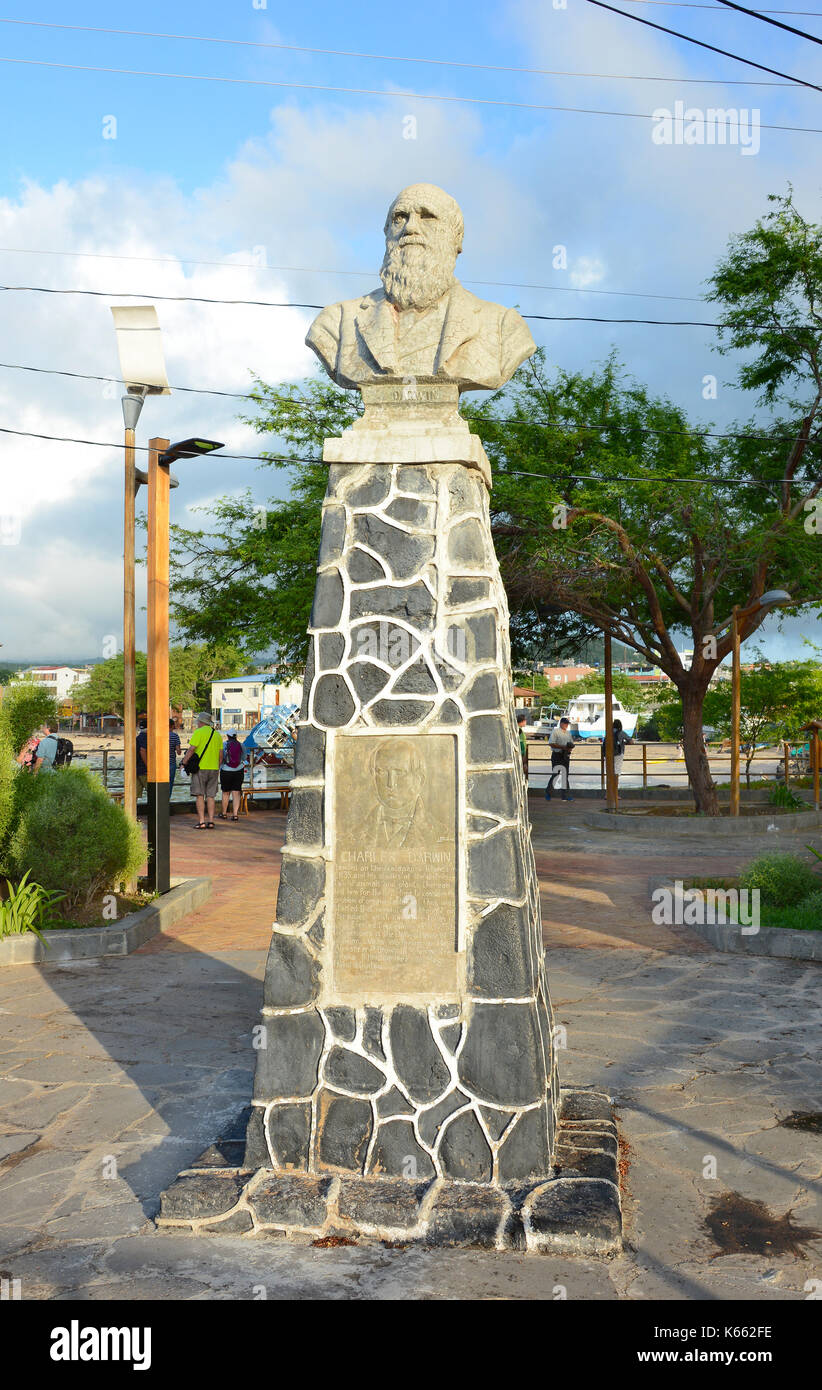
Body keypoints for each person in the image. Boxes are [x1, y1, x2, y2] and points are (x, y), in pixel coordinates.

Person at [306, 184, 536, 393]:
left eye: (427, 216)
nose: (410, 228)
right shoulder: (336, 322)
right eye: (400, 218)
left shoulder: (502, 324)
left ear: (456, 238)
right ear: (387, 233)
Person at [182, 713, 221, 829]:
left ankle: (202, 821)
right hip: (214, 768)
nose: (197, 724)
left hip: (200, 768)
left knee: (199, 795)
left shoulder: (198, 732)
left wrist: (184, 763)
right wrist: (217, 767)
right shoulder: (217, 735)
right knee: (211, 796)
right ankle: (211, 821)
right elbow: (221, 755)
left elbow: (191, 750)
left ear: (201, 722)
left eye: (198, 722)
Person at [218, 730, 246, 822]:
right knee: (236, 793)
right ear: (236, 736)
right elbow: (244, 758)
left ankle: (224, 813)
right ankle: (235, 815)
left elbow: (220, 757)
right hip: (239, 770)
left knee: (226, 792)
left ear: (227, 736)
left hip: (226, 770)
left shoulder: (224, 744)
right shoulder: (241, 745)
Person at [545, 717, 575, 802]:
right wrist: (563, 747)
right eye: (565, 723)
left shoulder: (568, 733)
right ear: (561, 723)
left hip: (565, 755)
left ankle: (565, 795)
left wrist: (569, 748)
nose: (566, 725)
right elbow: (551, 743)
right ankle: (548, 792)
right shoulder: (555, 731)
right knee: (556, 774)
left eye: (567, 724)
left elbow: (571, 743)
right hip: (557, 754)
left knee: (565, 775)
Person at [600, 718, 632, 794]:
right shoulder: (621, 733)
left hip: (607, 754)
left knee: (609, 773)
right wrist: (623, 742)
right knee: (616, 774)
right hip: (618, 755)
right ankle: (615, 794)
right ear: (620, 726)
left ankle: (608, 794)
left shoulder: (608, 732)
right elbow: (631, 741)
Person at [136, 715, 148, 799]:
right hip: (144, 769)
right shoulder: (146, 737)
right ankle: (153, 811)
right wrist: (148, 766)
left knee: (135, 794)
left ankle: (131, 811)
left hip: (136, 769)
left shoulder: (137, 738)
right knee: (152, 791)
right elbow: (142, 751)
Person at [516, 712, 529, 781]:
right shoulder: (518, 730)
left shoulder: (518, 729)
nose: (526, 722)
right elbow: (520, 744)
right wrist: (523, 757)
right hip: (521, 754)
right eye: (525, 721)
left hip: (521, 754)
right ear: (523, 721)